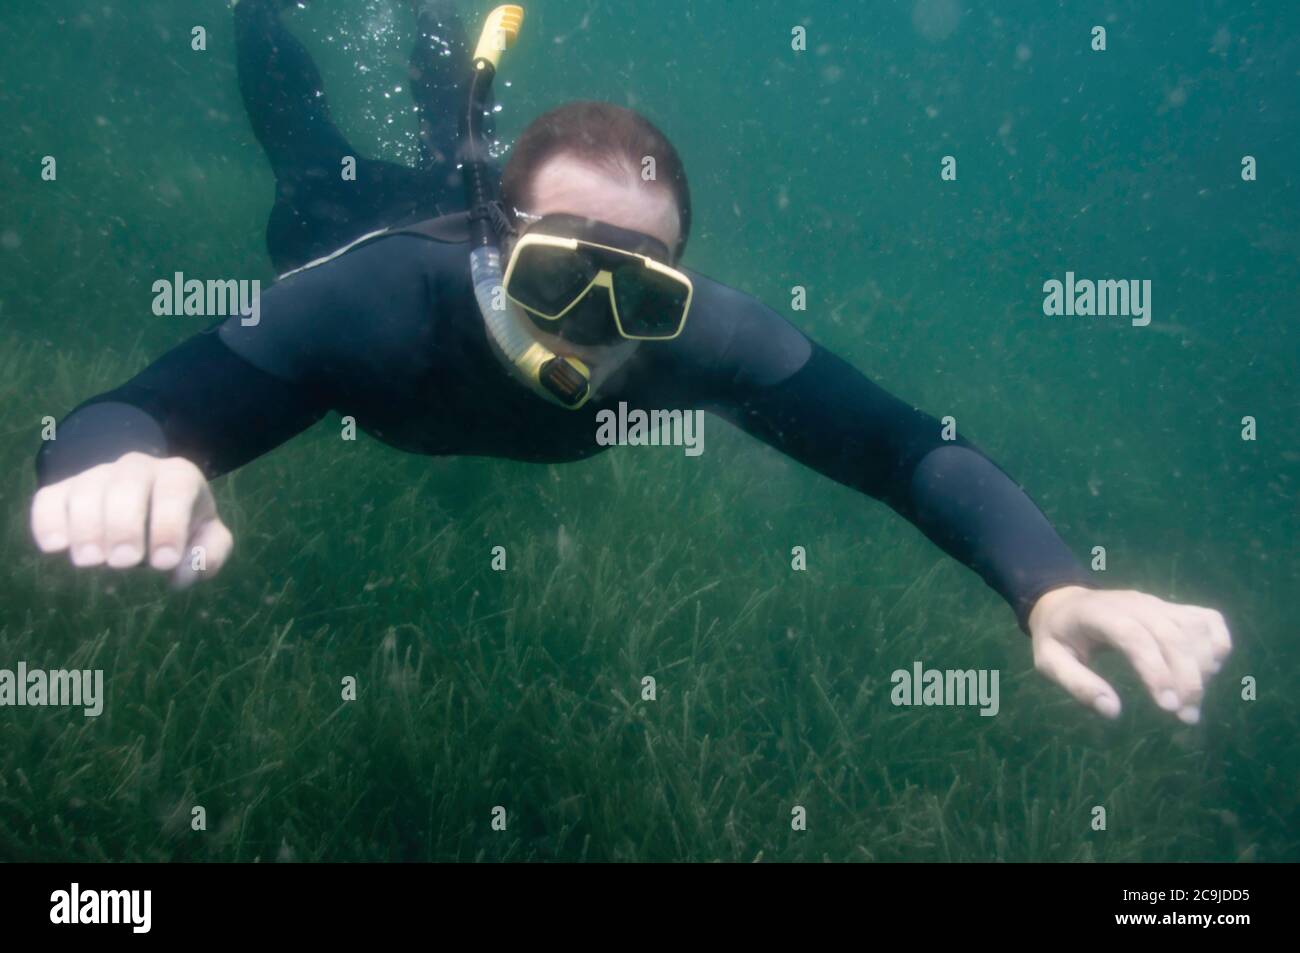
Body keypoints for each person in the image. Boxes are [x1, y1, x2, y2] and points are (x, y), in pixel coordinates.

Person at [29, 0, 1231, 723]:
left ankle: (442, 62)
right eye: (561, 276)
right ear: (501, 251)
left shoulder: (701, 337)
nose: (593, 320)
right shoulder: (371, 302)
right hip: (354, 220)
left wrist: (1052, 584)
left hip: (478, 209)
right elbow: (127, 413)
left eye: (641, 289)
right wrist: (121, 460)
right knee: (307, 157)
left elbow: (905, 449)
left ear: (682, 289)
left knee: (467, 128)